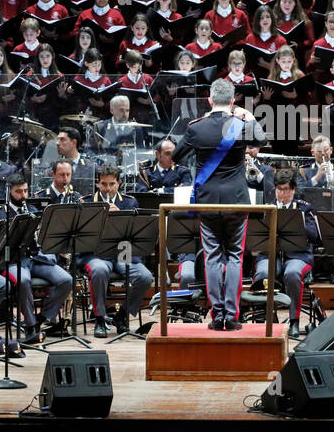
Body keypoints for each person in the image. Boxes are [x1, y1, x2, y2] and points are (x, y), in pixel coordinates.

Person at [174, 79, 268, 329]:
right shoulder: (239, 124)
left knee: (212, 256)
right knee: (235, 256)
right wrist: (248, 115)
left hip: (207, 202)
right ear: (234, 101)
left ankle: (217, 316)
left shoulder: (197, 127)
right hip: (237, 200)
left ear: (210, 100)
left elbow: (176, 156)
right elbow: (261, 140)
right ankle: (231, 315)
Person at [0, 174, 73, 342]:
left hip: (34, 258)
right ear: (9, 192)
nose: (24, 195)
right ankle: (30, 324)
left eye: (26, 191)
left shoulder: (33, 211)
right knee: (23, 281)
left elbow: (41, 239)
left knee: (66, 280)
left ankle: (43, 318)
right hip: (10, 260)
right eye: (19, 192)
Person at [75, 166, 153, 337]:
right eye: (104, 184)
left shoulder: (129, 202)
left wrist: (120, 217)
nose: (108, 189)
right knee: (100, 270)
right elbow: (82, 236)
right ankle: (100, 318)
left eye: (112, 184)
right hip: (95, 253)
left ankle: (122, 315)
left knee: (145, 277)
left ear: (119, 183)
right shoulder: (85, 202)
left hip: (122, 252)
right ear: (97, 183)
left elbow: (133, 234)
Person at [252, 169, 320, 338]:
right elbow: (255, 234)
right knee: (262, 273)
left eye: (286, 189)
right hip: (270, 254)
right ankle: (268, 320)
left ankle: (294, 320)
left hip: (298, 255)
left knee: (292, 273)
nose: (282, 193)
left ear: (293, 189)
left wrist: (296, 221)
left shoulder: (304, 208)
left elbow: (315, 236)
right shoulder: (267, 208)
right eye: (279, 189)